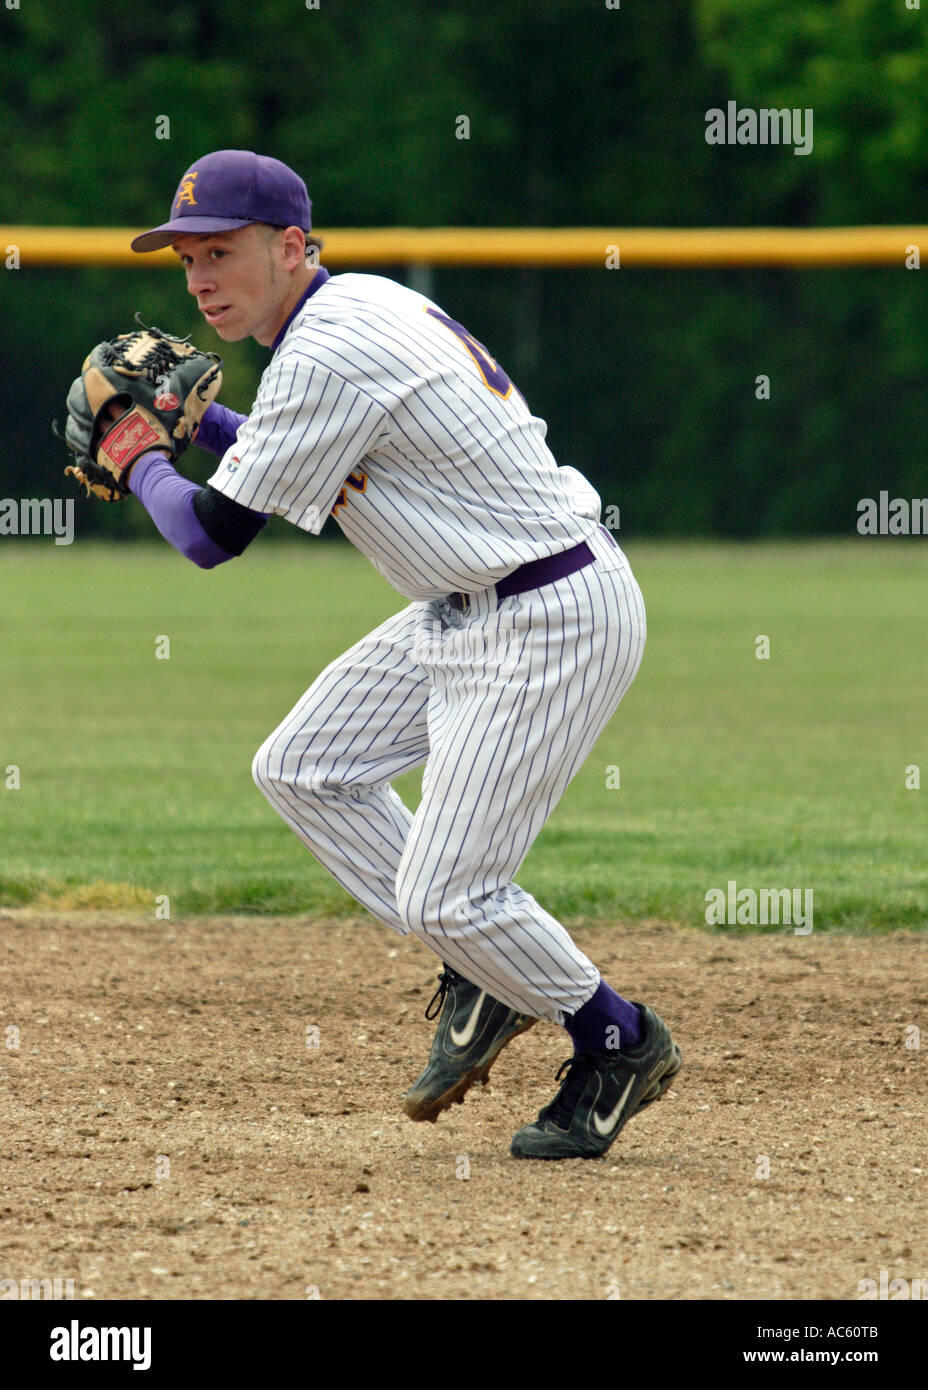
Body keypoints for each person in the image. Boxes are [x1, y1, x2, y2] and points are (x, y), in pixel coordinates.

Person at [122, 148, 681, 1159]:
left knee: (446, 894)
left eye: (221, 251)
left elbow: (212, 534)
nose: (200, 278)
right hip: (464, 604)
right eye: (186, 258)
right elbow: (315, 460)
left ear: (290, 246)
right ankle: (485, 972)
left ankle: (617, 1038)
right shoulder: (352, 312)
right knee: (303, 767)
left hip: (546, 614)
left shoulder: (325, 352)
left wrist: (142, 459)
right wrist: (201, 429)